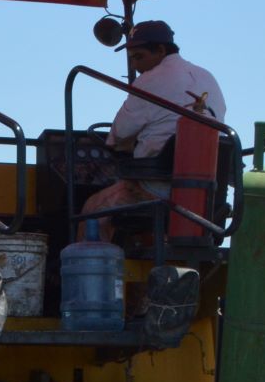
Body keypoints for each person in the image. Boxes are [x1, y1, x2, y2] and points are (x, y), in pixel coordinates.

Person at [81, 19, 227, 241]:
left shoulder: (149, 81)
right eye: (131, 59)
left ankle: (89, 273)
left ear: (160, 50)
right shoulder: (207, 77)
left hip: (159, 187)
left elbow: (118, 136)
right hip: (207, 191)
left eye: (139, 57)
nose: (135, 67)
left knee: (92, 209)